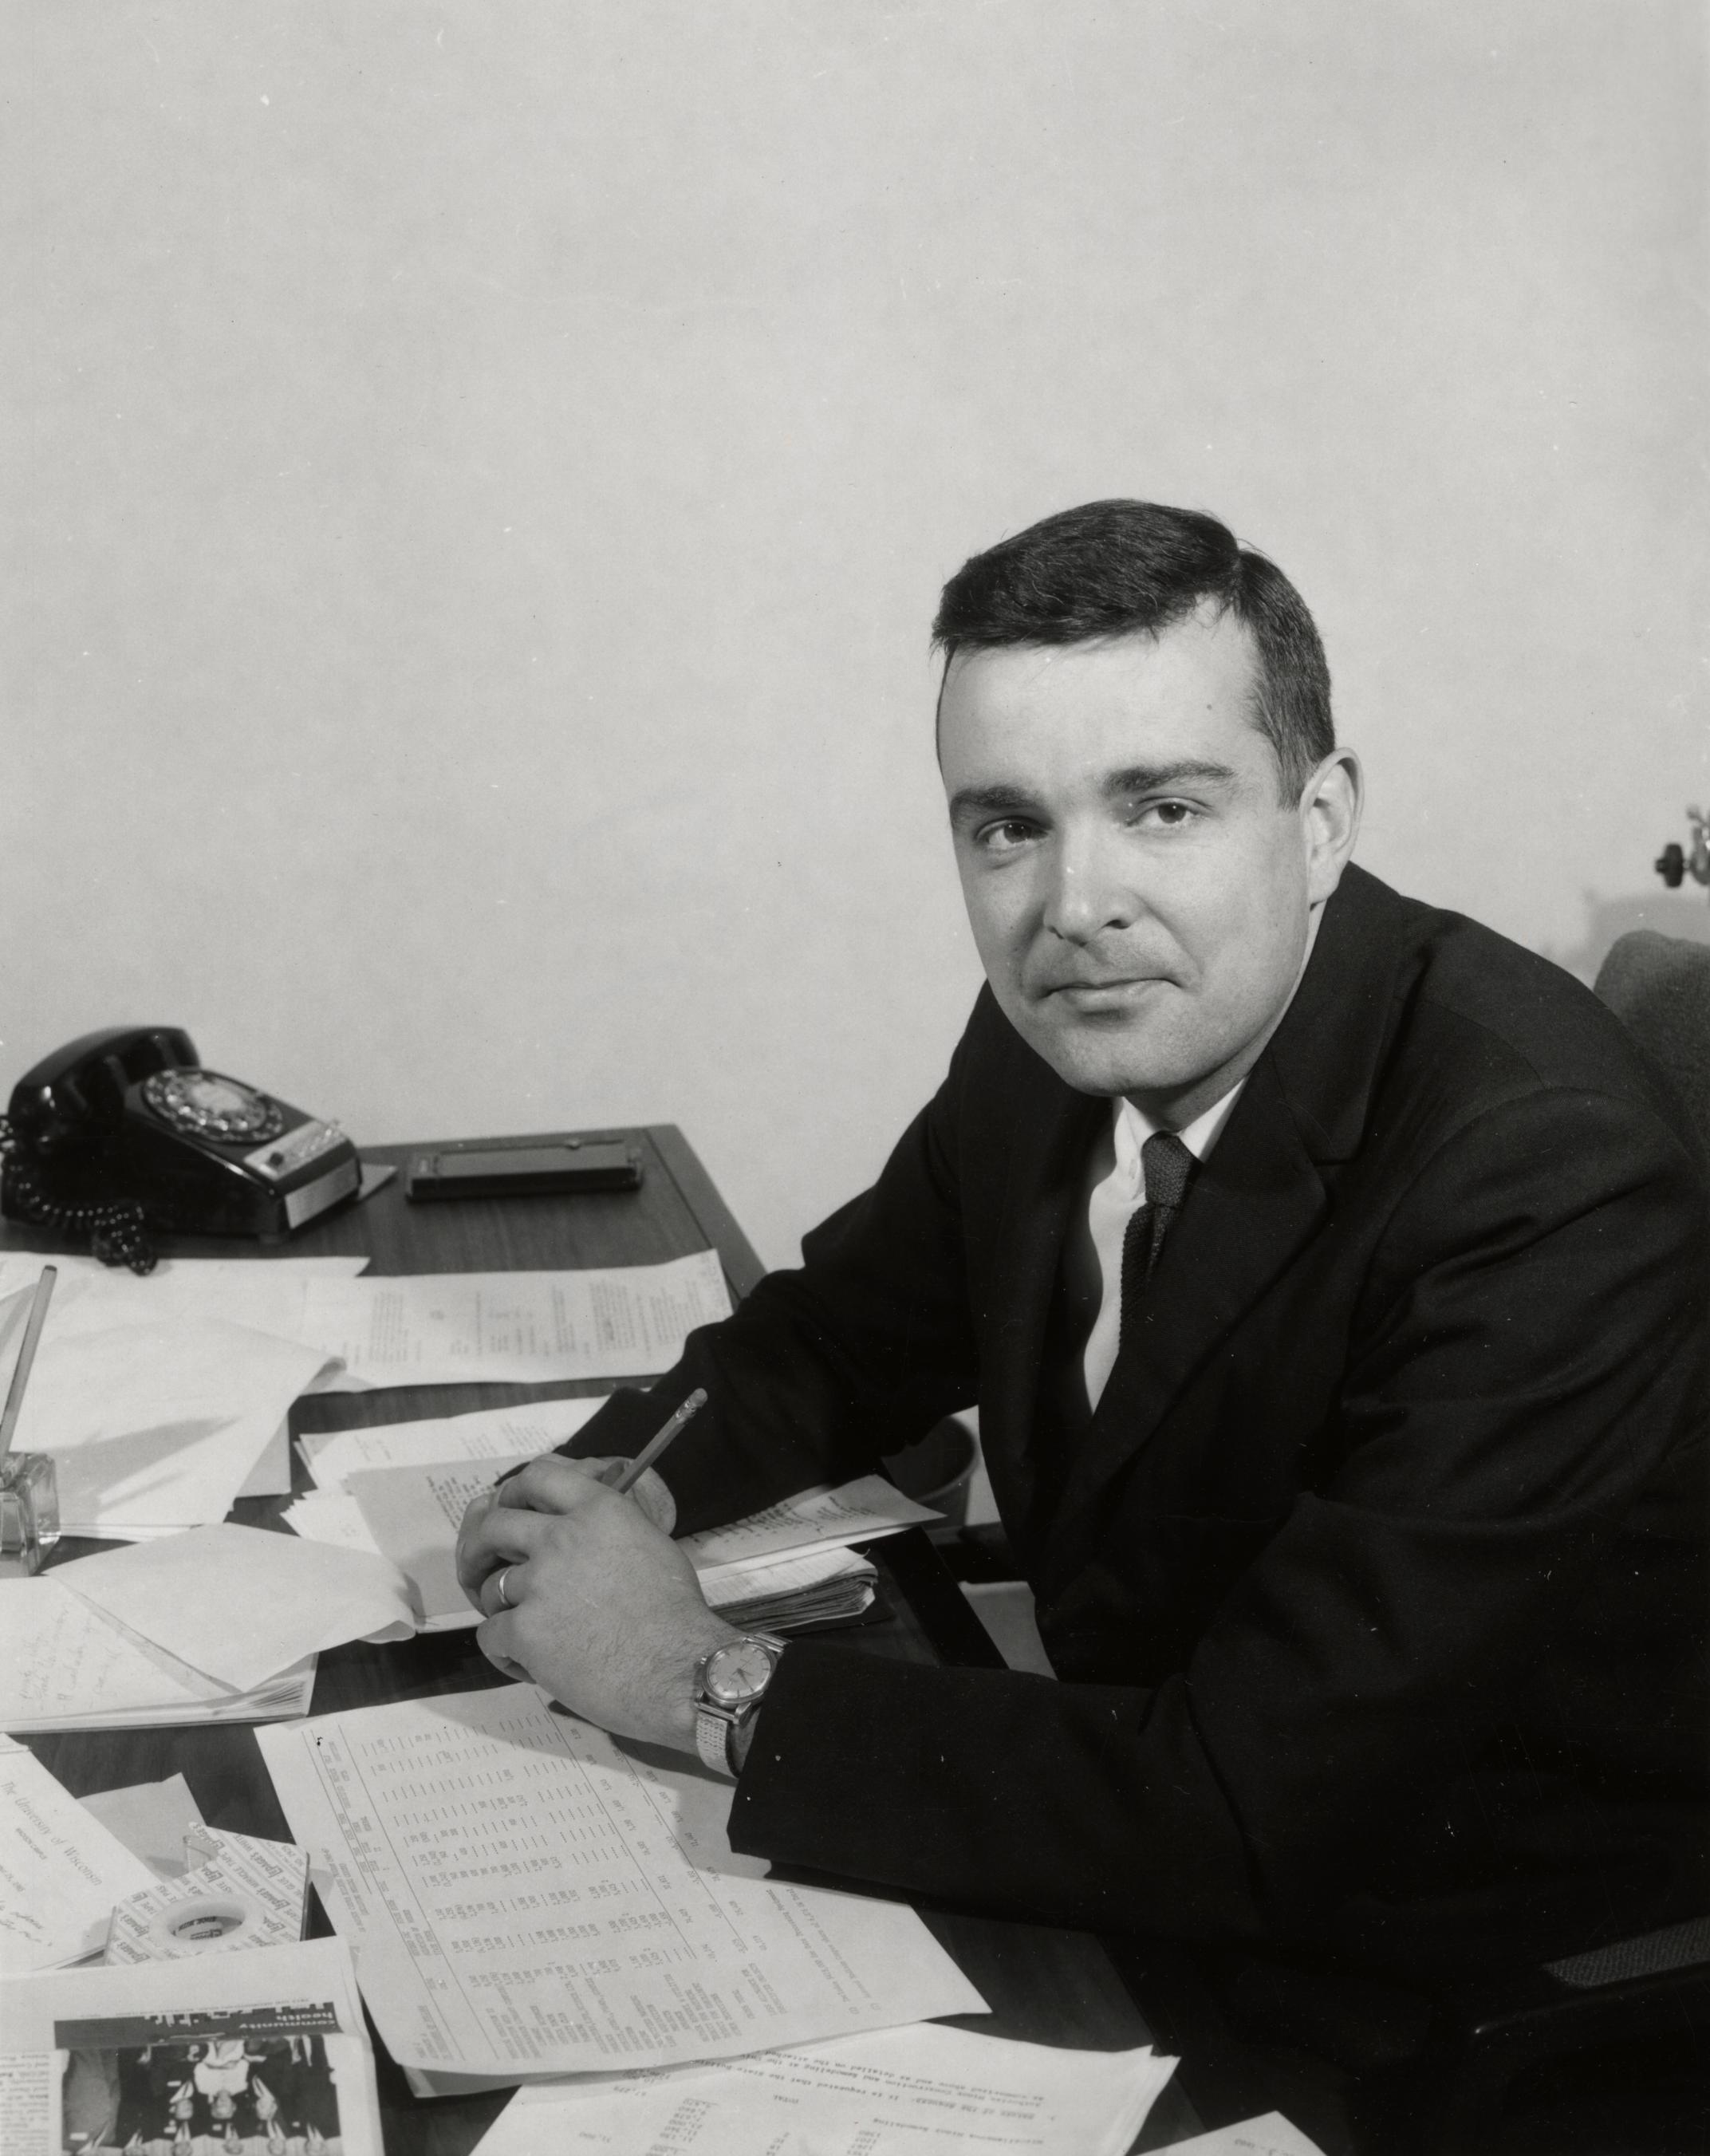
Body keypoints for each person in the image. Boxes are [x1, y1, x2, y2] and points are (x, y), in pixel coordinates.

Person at [457, 500, 1708, 2004]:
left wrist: (690, 1677)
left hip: (1451, 1971)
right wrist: (614, 1493)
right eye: (1010, 827)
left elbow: (1253, 1804)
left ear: (1320, 823)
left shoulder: (1543, 1169)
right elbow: (845, 1336)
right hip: (1140, 1794)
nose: (1074, 906)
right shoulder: (1075, 1020)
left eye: (1164, 808)